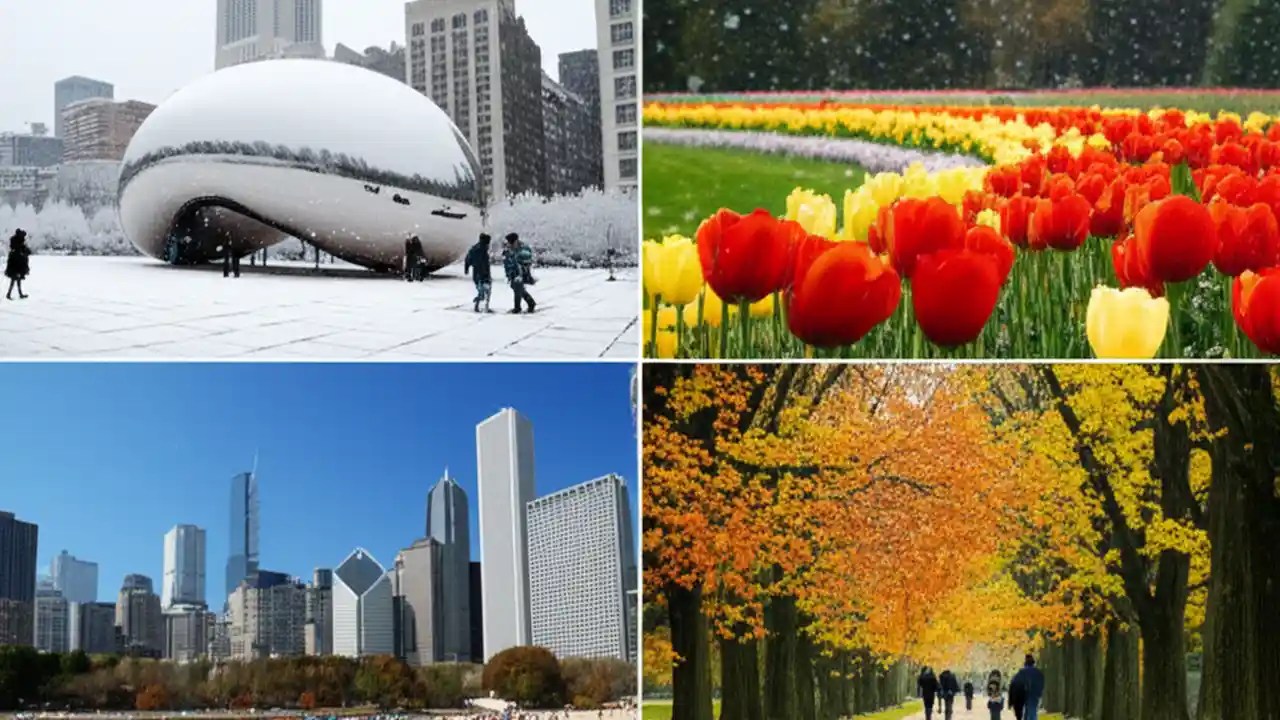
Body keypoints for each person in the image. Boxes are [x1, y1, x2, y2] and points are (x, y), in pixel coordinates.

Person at [502, 232, 536, 314]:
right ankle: (531, 302)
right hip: (512, 272)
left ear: (516, 241)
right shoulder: (508, 249)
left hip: (521, 272)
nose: (509, 244)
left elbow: (527, 260)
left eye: (511, 242)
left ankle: (517, 308)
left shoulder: (524, 249)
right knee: (516, 287)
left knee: (517, 287)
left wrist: (519, 261)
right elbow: (507, 261)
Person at [465, 233, 494, 313]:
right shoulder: (481, 250)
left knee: (482, 291)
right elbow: (482, 264)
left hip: (477, 274)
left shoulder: (474, 249)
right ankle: (481, 306)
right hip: (482, 274)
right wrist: (485, 275)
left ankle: (479, 306)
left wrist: (467, 268)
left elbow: (468, 259)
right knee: (485, 291)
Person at [1011, 654, 1045, 720]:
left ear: (1025, 663)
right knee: (1032, 711)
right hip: (1034, 695)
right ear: (1033, 663)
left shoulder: (1022, 672)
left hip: (1024, 694)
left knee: (1027, 712)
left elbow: (1015, 683)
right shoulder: (1038, 672)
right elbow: (1041, 683)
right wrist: (1039, 693)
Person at [6, 229, 31, 300]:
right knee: (14, 279)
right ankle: (9, 294)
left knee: (17, 279)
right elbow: (19, 249)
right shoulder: (17, 241)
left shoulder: (16, 241)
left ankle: (18, 294)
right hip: (16, 262)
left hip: (16, 261)